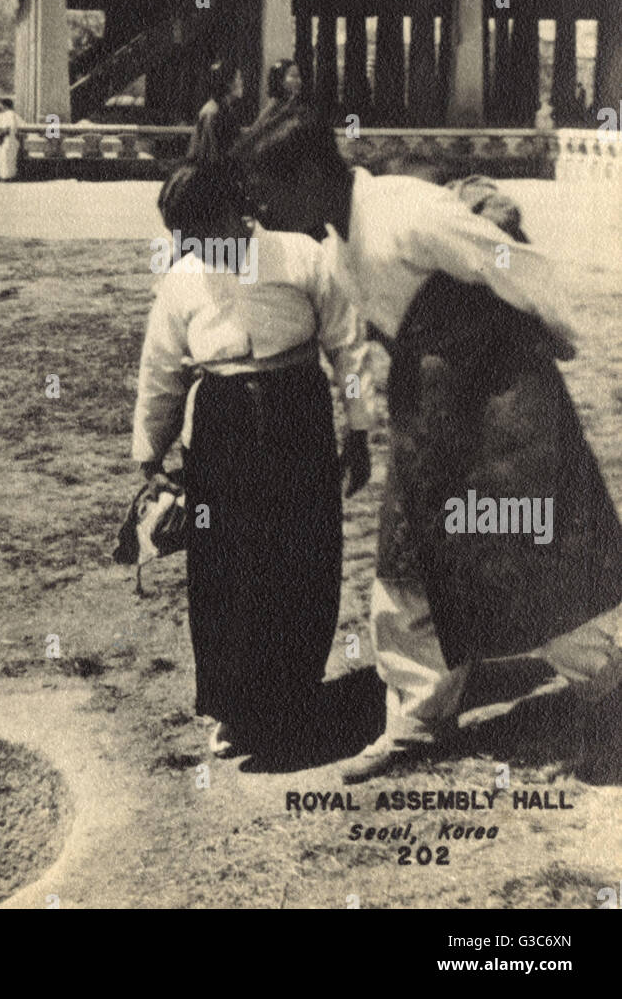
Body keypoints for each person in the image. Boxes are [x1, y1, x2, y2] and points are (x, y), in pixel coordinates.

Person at [239, 106, 622, 780]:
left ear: (304, 175)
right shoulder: (332, 242)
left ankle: (606, 689)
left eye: (266, 189)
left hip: (499, 400)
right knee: (408, 560)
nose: (259, 206)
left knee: (522, 548)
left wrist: (551, 330)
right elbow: (358, 340)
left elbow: (504, 258)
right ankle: (416, 719)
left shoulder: (403, 209)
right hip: (428, 411)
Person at [132, 161, 373, 758]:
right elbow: (160, 368)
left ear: (233, 211)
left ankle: (294, 694)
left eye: (198, 230)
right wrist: (149, 452)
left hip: (299, 417)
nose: (190, 246)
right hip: (222, 429)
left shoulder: (300, 255)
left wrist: (359, 428)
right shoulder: (183, 279)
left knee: (303, 556)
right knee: (226, 565)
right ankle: (234, 706)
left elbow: (347, 343)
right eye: (180, 237)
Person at [186, 60, 245, 163]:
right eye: (238, 78)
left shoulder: (223, 109)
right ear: (228, 84)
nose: (241, 82)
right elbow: (209, 154)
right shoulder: (212, 112)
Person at [0, 97, 21, 181]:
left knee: (5, 159)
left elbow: (8, 127)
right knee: (8, 160)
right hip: (11, 140)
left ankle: (6, 178)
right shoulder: (11, 114)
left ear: (5, 105)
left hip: (7, 140)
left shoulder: (9, 114)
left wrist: (0, 137)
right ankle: (8, 177)